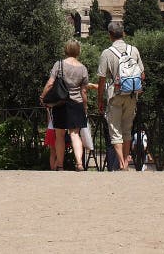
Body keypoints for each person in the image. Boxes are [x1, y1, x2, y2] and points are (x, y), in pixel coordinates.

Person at [97, 20, 145, 171]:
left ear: (110, 35)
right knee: (127, 129)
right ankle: (125, 159)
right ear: (123, 33)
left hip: (115, 95)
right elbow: (142, 75)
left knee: (115, 130)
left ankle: (122, 164)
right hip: (131, 95)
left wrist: (100, 100)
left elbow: (102, 79)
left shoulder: (107, 53)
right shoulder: (134, 50)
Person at [39, 40, 89, 171]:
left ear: (66, 50)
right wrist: (85, 106)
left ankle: (60, 165)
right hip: (76, 103)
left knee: (59, 135)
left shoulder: (59, 64)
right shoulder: (83, 68)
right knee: (75, 134)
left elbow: (50, 83)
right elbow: (83, 91)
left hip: (60, 103)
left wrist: (43, 97)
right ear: (78, 51)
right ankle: (79, 163)